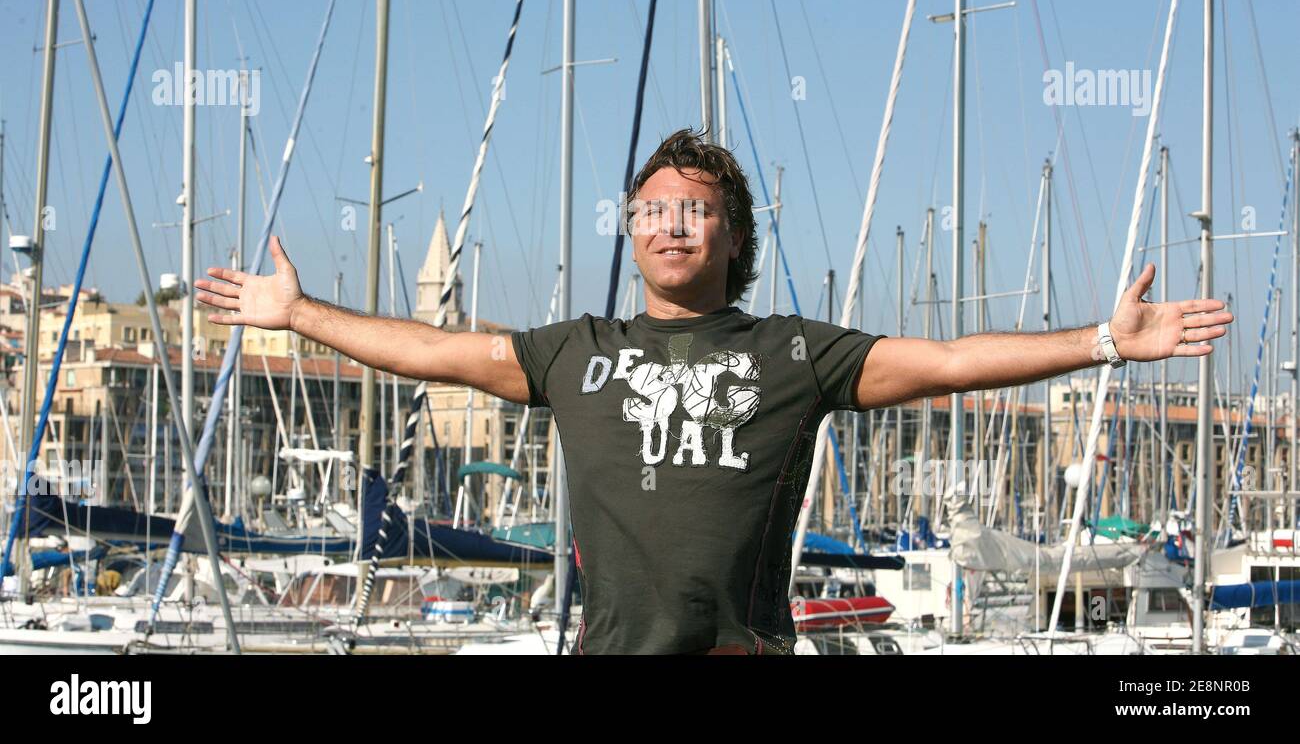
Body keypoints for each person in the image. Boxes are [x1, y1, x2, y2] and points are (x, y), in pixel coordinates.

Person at [195, 128, 1233, 655]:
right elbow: (429, 349)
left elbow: (953, 360)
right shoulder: (572, 352)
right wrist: (297, 312)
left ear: (732, 236)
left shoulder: (795, 355)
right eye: (650, 208)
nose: (670, 223)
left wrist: (1103, 340)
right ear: (630, 229)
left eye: (696, 209)